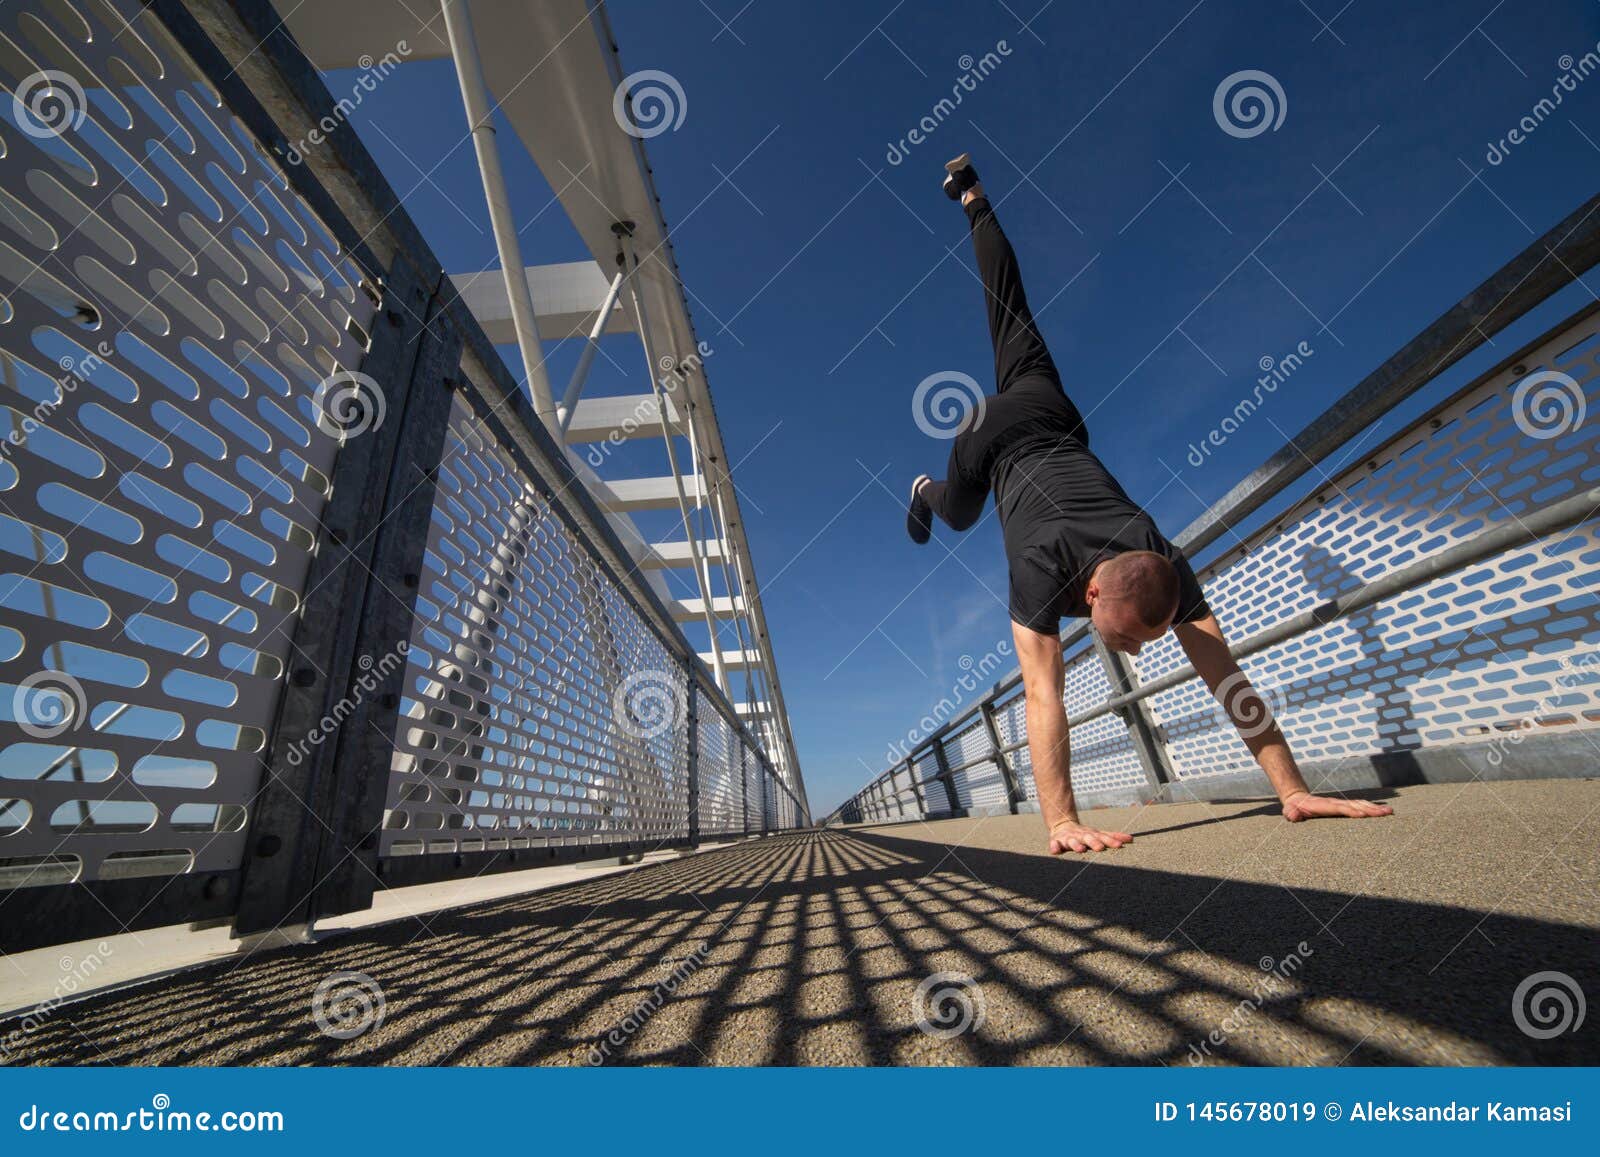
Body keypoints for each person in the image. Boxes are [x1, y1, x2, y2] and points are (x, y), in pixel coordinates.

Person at [907, 155, 1393, 854]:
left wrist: (1292, 788)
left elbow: (1225, 674)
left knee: (1008, 304)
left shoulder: (1164, 562)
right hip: (992, 438)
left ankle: (974, 198)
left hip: (1045, 405)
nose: (1137, 652)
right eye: (1133, 638)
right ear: (1095, 586)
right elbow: (1045, 695)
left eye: (1142, 640)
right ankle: (924, 491)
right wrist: (1061, 821)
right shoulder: (1045, 569)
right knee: (959, 513)